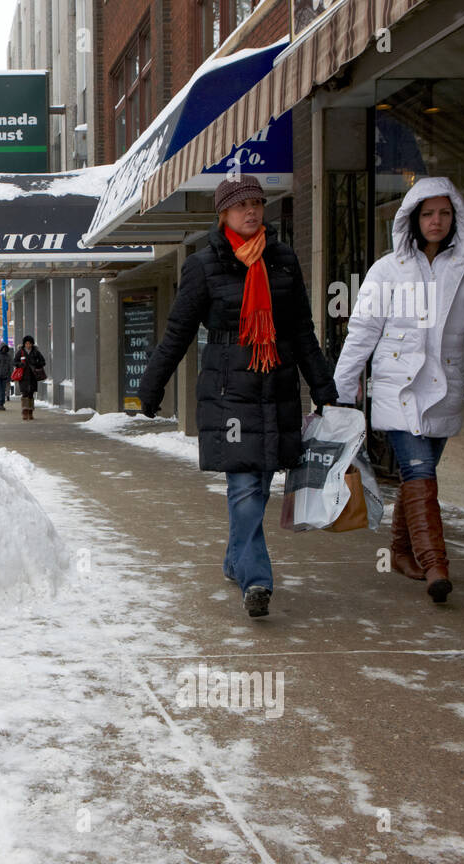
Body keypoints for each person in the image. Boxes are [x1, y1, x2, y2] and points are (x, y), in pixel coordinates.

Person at [138, 174, 338, 619]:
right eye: (241, 204)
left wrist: (324, 390)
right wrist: (151, 388)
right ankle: (257, 579)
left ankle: (235, 559)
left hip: (276, 389)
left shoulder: (283, 260)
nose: (251, 211)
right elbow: (178, 333)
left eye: (257, 203)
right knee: (245, 487)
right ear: (223, 213)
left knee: (260, 487)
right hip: (228, 394)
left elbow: (303, 332)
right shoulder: (203, 265)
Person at [333, 176, 464, 603]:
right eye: (428, 213)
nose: (436, 221)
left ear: (456, 218)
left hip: (445, 389)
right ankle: (436, 566)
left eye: (444, 213)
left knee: (420, 476)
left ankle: (400, 552)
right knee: (420, 472)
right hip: (398, 389)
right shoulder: (387, 269)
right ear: (413, 219)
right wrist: (343, 386)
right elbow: (362, 331)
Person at [14, 335, 46, 420]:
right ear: (24, 344)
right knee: (25, 394)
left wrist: (36, 364)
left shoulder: (36, 352)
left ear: (32, 344)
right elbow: (14, 362)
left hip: (33, 376)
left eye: (30, 343)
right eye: (26, 343)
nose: (28, 345)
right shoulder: (20, 352)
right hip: (23, 376)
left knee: (31, 394)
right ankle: (25, 411)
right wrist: (20, 364)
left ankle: (30, 412)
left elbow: (43, 361)